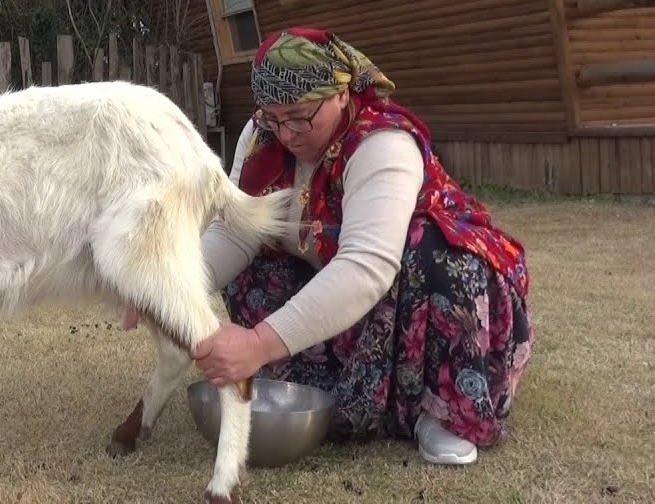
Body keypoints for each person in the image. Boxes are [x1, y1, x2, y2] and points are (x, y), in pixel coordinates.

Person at [128, 27, 533, 466]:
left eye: (301, 115)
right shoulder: (262, 133)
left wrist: (260, 343)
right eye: (273, 117)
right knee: (261, 261)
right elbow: (236, 231)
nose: (286, 133)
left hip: (421, 284)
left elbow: (366, 268)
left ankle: (439, 412)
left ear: (340, 94)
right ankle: (333, 392)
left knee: (431, 252)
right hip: (339, 279)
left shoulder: (383, 143)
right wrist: (167, 287)